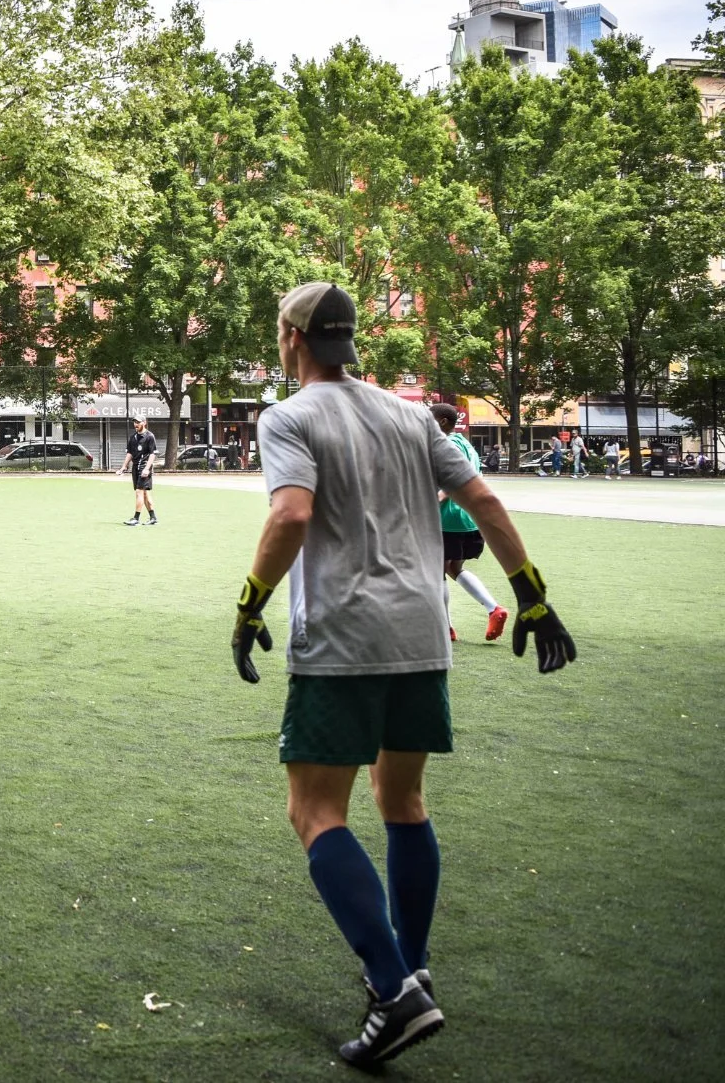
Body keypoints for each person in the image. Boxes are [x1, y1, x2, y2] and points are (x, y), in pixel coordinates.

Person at [231, 283, 575, 1069]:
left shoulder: (287, 416)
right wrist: (533, 597)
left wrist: (249, 604)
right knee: (403, 800)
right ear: (347, 341)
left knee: (315, 811)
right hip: (422, 633)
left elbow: (289, 515)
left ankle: (393, 986)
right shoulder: (410, 413)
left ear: (291, 337)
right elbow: (482, 498)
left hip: (343, 639)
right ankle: (409, 970)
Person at [430, 404, 506, 643]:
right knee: (453, 568)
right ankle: (494, 609)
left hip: (447, 518)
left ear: (442, 422)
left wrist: (434, 500)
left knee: (436, 572)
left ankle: (446, 628)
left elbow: (454, 482)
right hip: (469, 517)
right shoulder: (466, 444)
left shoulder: (447, 445)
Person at [121, 415, 158, 525]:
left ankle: (136, 519)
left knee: (139, 492)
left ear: (144, 423)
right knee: (145, 494)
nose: (136, 424)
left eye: (138, 422)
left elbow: (152, 454)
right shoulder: (133, 437)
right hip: (135, 468)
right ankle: (153, 518)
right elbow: (130, 453)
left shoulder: (150, 436)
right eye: (134, 422)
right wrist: (124, 466)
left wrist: (147, 469)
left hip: (144, 468)